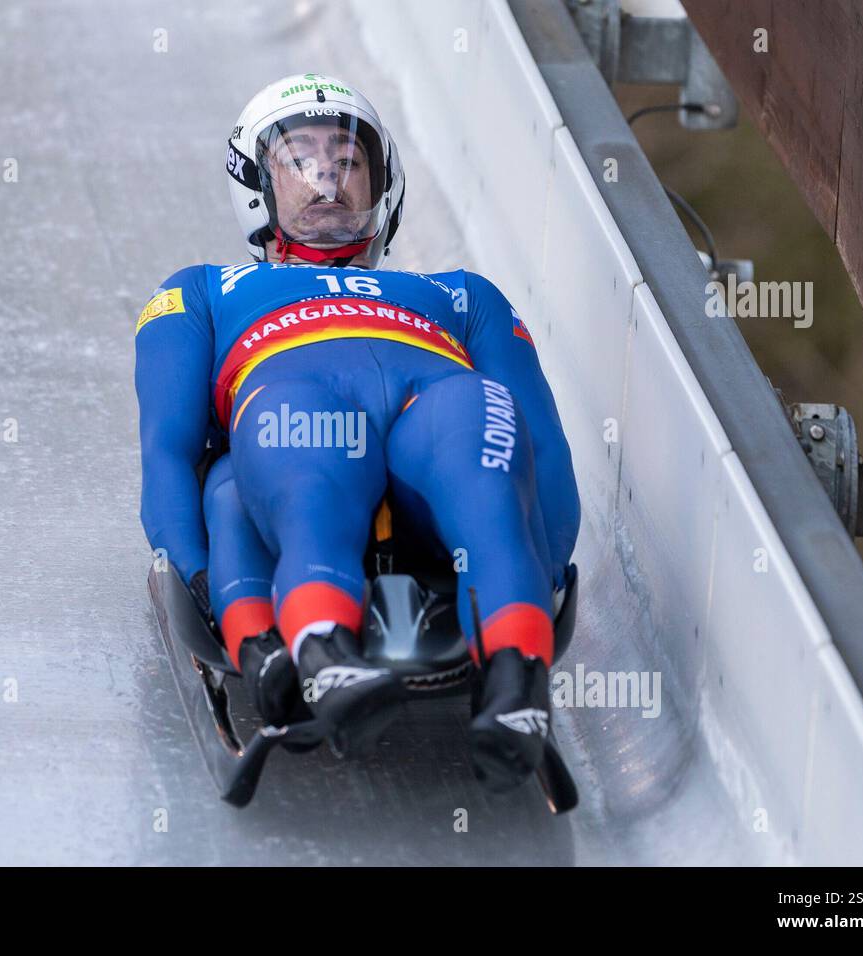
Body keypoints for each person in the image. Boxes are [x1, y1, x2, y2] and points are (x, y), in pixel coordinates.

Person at [135, 72, 579, 789]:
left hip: (433, 409)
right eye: (300, 164)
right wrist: (195, 575)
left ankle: (515, 683)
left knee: (475, 419)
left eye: (346, 164)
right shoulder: (199, 291)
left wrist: (550, 568)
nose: (327, 184)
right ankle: (322, 651)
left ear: (382, 185)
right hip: (292, 406)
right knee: (302, 437)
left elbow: (542, 442)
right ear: (258, 189)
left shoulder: (463, 294)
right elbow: (169, 449)